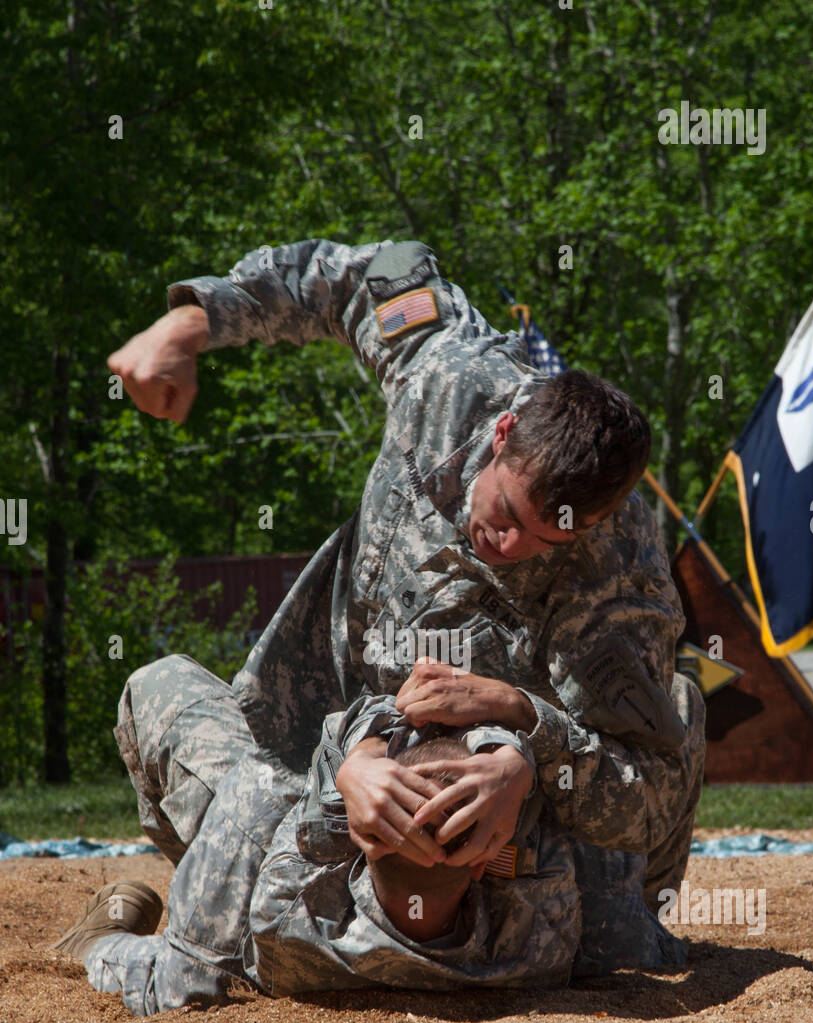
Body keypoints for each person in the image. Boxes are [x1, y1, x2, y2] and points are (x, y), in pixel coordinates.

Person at [107, 236, 705, 918]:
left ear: (593, 524)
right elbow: (355, 278)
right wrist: (190, 323)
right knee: (161, 698)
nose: (507, 545)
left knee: (674, 716)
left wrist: (532, 756)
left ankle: (590, 937)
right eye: (505, 510)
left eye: (548, 536)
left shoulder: (617, 573)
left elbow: (646, 792)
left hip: (483, 836)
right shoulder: (448, 378)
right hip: (312, 769)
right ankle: (274, 893)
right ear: (503, 431)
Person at [53, 657, 686, 1012]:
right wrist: (515, 736)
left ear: (354, 833)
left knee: (158, 683)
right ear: (488, 859)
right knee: (677, 699)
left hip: (234, 891)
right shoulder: (553, 940)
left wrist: (364, 747)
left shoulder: (281, 911)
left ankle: (96, 941)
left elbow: (276, 787)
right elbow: (636, 783)